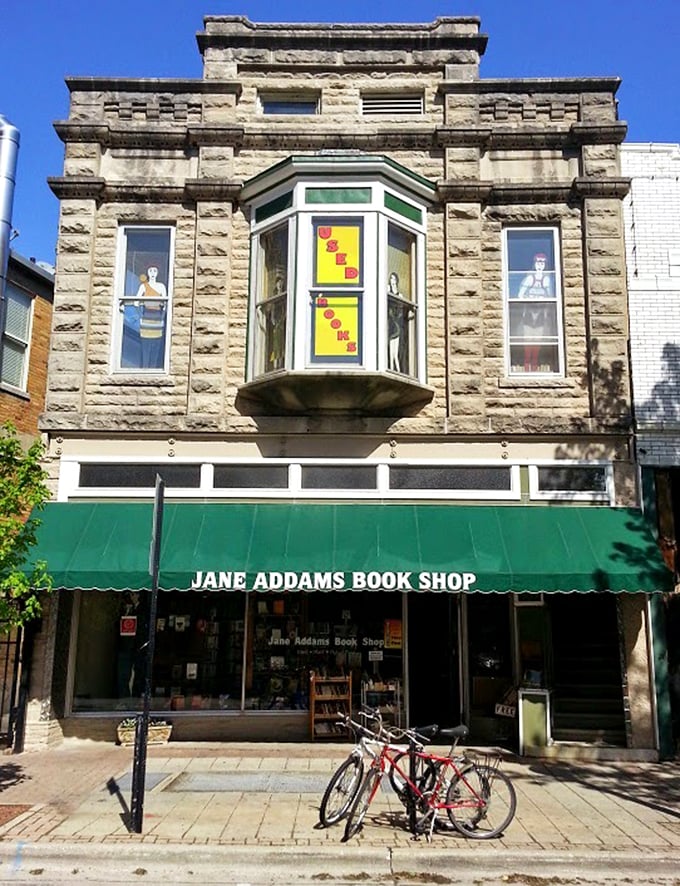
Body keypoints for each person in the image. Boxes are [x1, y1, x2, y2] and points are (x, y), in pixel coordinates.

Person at [517, 253, 551, 372]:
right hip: (529, 314)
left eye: (542, 263)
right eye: (538, 263)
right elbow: (520, 295)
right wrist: (528, 298)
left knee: (537, 340)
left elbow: (550, 297)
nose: (540, 265)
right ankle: (526, 365)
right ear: (534, 264)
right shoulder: (530, 278)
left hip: (541, 315)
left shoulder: (546, 280)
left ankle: (535, 365)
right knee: (527, 340)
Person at [136, 266, 167, 368]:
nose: (153, 273)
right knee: (145, 347)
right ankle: (145, 368)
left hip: (157, 320)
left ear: (157, 273)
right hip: (146, 319)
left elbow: (165, 304)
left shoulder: (161, 286)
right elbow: (136, 302)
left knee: (156, 348)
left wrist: (162, 318)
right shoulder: (143, 286)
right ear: (148, 273)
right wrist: (140, 316)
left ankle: (153, 369)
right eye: (150, 270)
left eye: (155, 271)